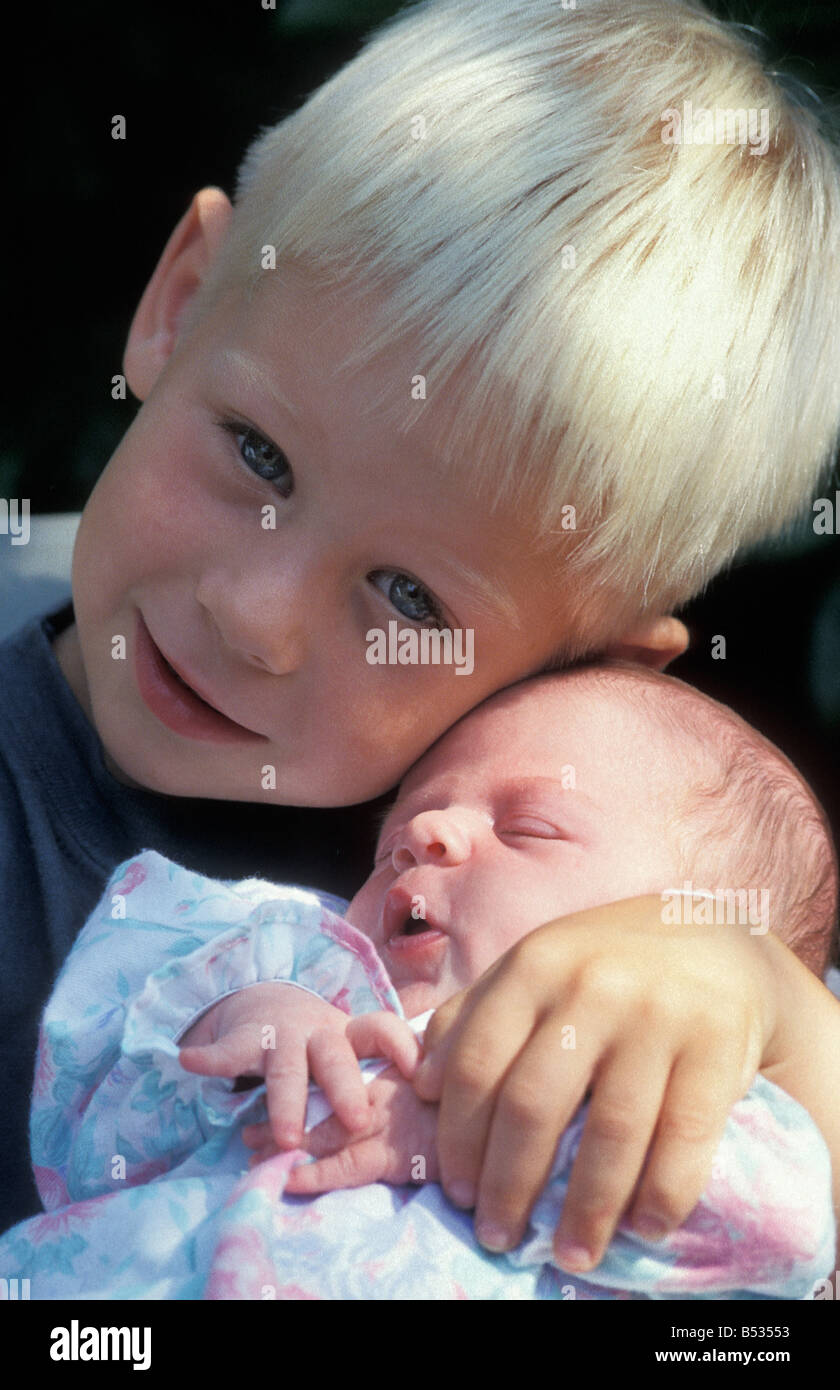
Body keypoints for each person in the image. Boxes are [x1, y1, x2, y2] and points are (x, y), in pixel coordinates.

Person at [3, 0, 840, 1265]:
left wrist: (779, 1015)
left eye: (410, 598)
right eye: (259, 452)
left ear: (593, 664)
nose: (255, 616)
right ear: (180, 302)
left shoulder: (586, 896)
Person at [0, 664, 835, 1299]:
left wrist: (471, 1135)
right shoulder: (300, 961)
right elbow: (84, 1142)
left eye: (529, 827)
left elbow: (789, 1234)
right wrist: (233, 1022)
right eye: (391, 837)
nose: (422, 833)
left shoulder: (695, 1095)